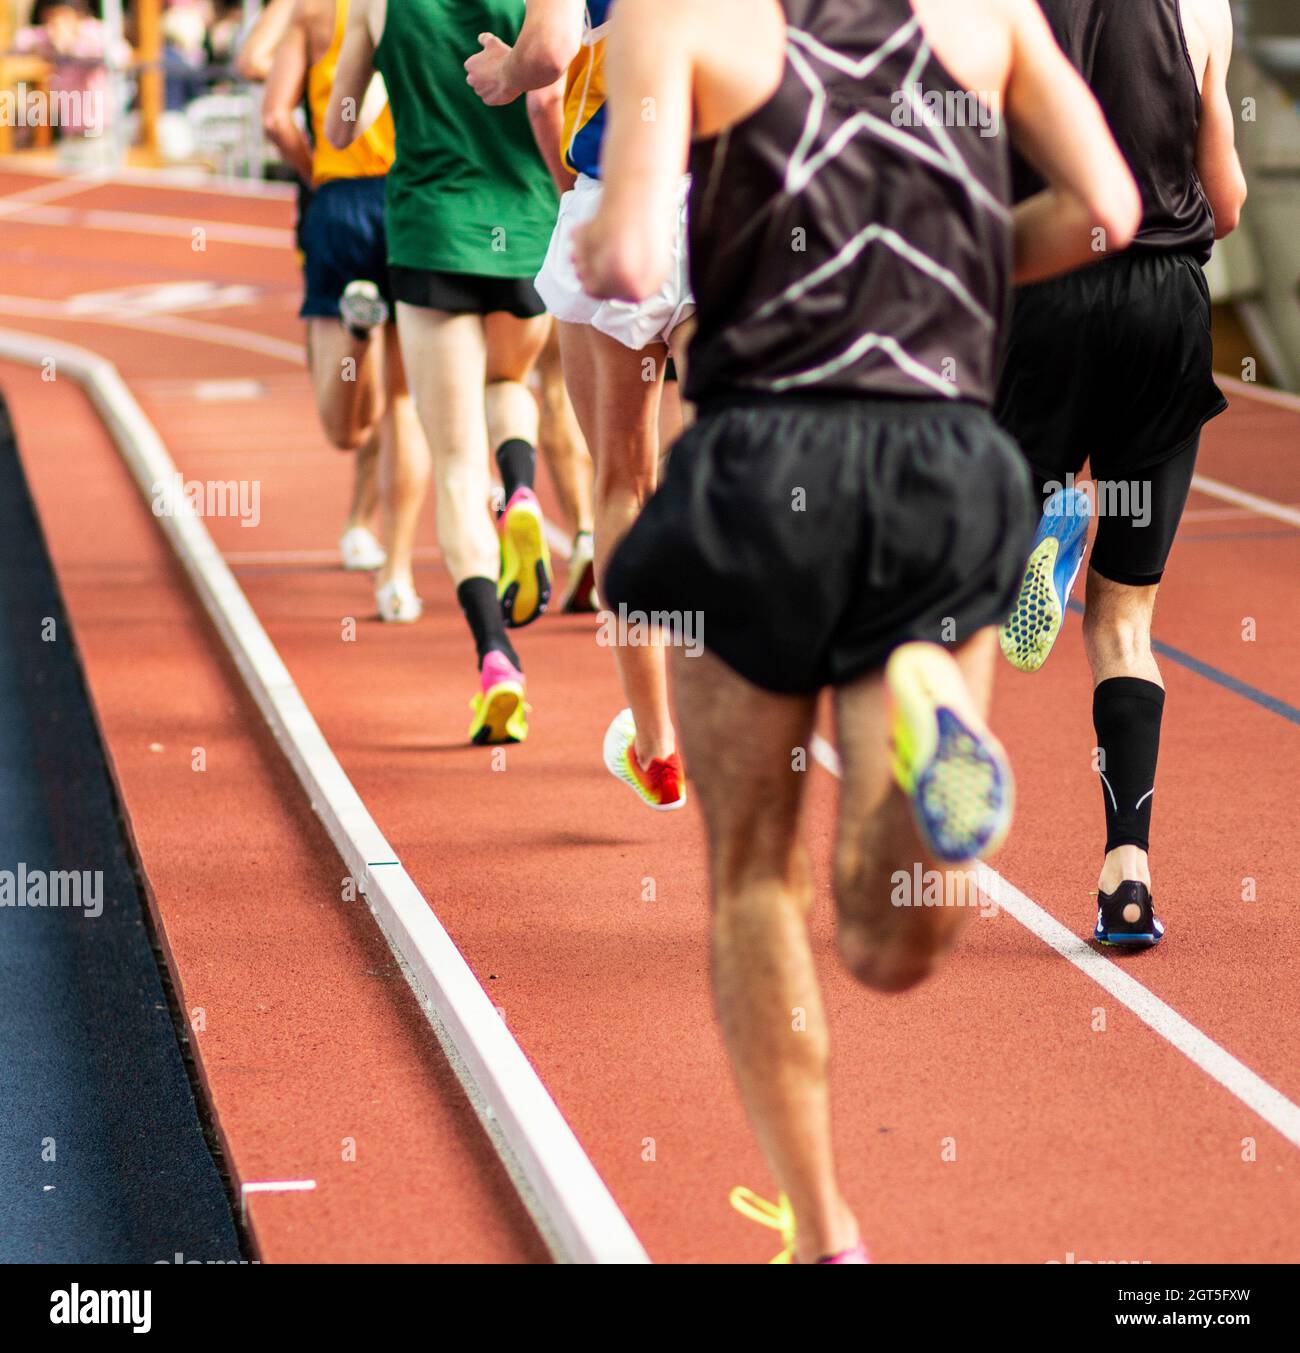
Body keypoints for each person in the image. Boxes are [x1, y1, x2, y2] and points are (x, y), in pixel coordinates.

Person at [581, 0, 1139, 1262]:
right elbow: (1107, 203)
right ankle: (924, 694)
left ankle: (826, 1231)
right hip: (943, 459)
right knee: (891, 940)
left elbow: (618, 265)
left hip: (761, 458)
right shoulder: (988, 13)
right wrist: (949, 262)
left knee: (753, 881)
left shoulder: (677, 19)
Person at [994, 0, 1247, 947]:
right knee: (1125, 617)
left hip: (1049, 294)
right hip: (1168, 309)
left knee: (964, 548)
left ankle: (1036, 520)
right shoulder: (1206, 8)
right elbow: (1225, 205)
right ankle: (1126, 872)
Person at [466, 0, 690, 807]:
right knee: (735, 450)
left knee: (624, 481)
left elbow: (549, 56)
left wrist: (504, 68)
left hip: (620, 193)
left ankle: (659, 743)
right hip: (733, 191)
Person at [328, 0, 559, 744]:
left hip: (431, 230)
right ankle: (522, 489)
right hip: (526, 230)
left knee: (457, 462)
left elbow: (339, 128)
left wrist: (376, 89)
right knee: (509, 385)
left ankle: (497, 658)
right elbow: (552, 91)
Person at [263, 0, 430, 620]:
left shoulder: (311, 13)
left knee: (346, 429)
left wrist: (321, 181)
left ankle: (359, 333)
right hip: (415, 200)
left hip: (341, 203)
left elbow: (276, 117)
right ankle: (398, 574)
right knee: (406, 406)